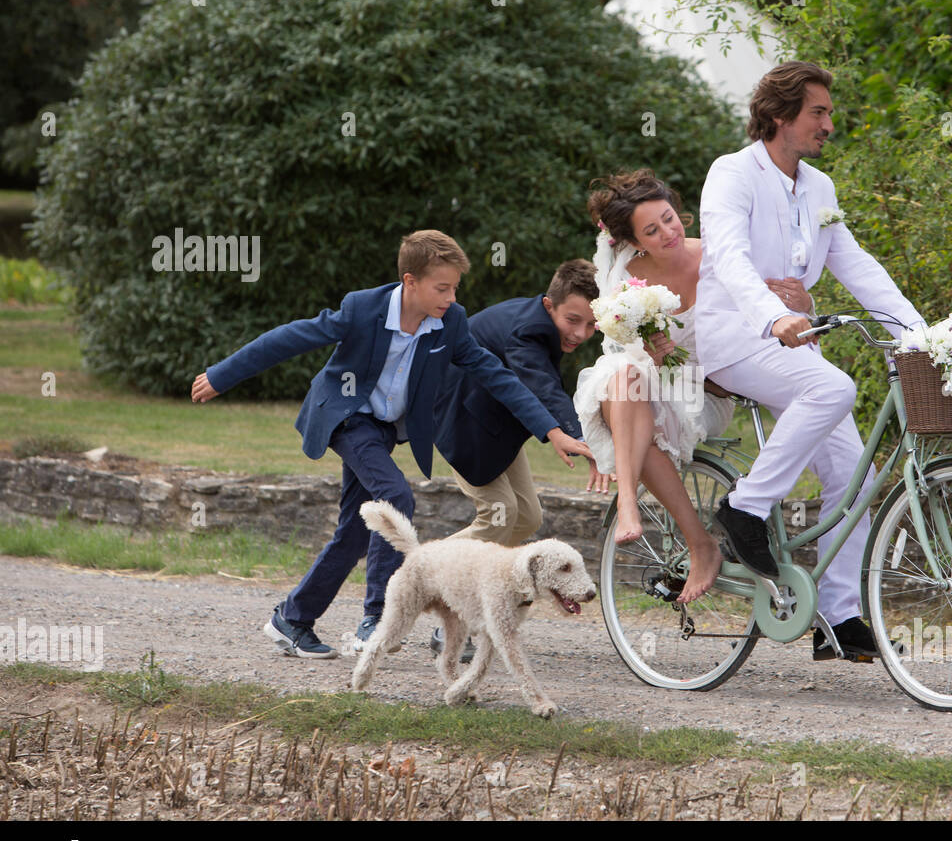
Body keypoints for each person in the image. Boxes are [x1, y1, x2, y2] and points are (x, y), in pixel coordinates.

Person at [190, 230, 591, 658]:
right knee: (394, 497)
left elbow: (496, 374)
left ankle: (292, 618)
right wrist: (223, 374)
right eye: (442, 287)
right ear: (410, 281)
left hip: (383, 430)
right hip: (346, 419)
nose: (451, 297)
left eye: (455, 287)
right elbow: (292, 337)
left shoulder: (449, 321)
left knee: (354, 532)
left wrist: (552, 431)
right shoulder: (362, 309)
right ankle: (378, 618)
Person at [696, 61, 926, 662]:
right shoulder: (731, 173)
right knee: (836, 389)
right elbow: (729, 256)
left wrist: (923, 333)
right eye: (817, 112)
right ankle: (743, 508)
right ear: (779, 116)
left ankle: (837, 615)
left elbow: (857, 265)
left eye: (828, 111)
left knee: (857, 475)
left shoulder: (820, 188)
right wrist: (772, 315)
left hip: (794, 343)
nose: (829, 123)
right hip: (735, 336)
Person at [573, 170, 735, 603]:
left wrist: (676, 363)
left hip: (704, 392)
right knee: (626, 376)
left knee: (634, 403)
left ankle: (699, 543)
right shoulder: (628, 274)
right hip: (642, 386)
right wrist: (653, 353)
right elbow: (619, 348)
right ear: (635, 241)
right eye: (651, 230)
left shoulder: (717, 258)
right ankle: (631, 503)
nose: (667, 232)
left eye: (669, 218)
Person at [429, 258, 600, 661]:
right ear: (548, 305)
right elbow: (541, 385)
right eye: (573, 320)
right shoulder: (527, 330)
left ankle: (457, 583)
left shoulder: (540, 321)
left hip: (500, 429)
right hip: (464, 424)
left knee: (527, 519)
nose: (580, 334)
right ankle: (431, 582)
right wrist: (574, 434)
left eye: (592, 325)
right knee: (501, 513)